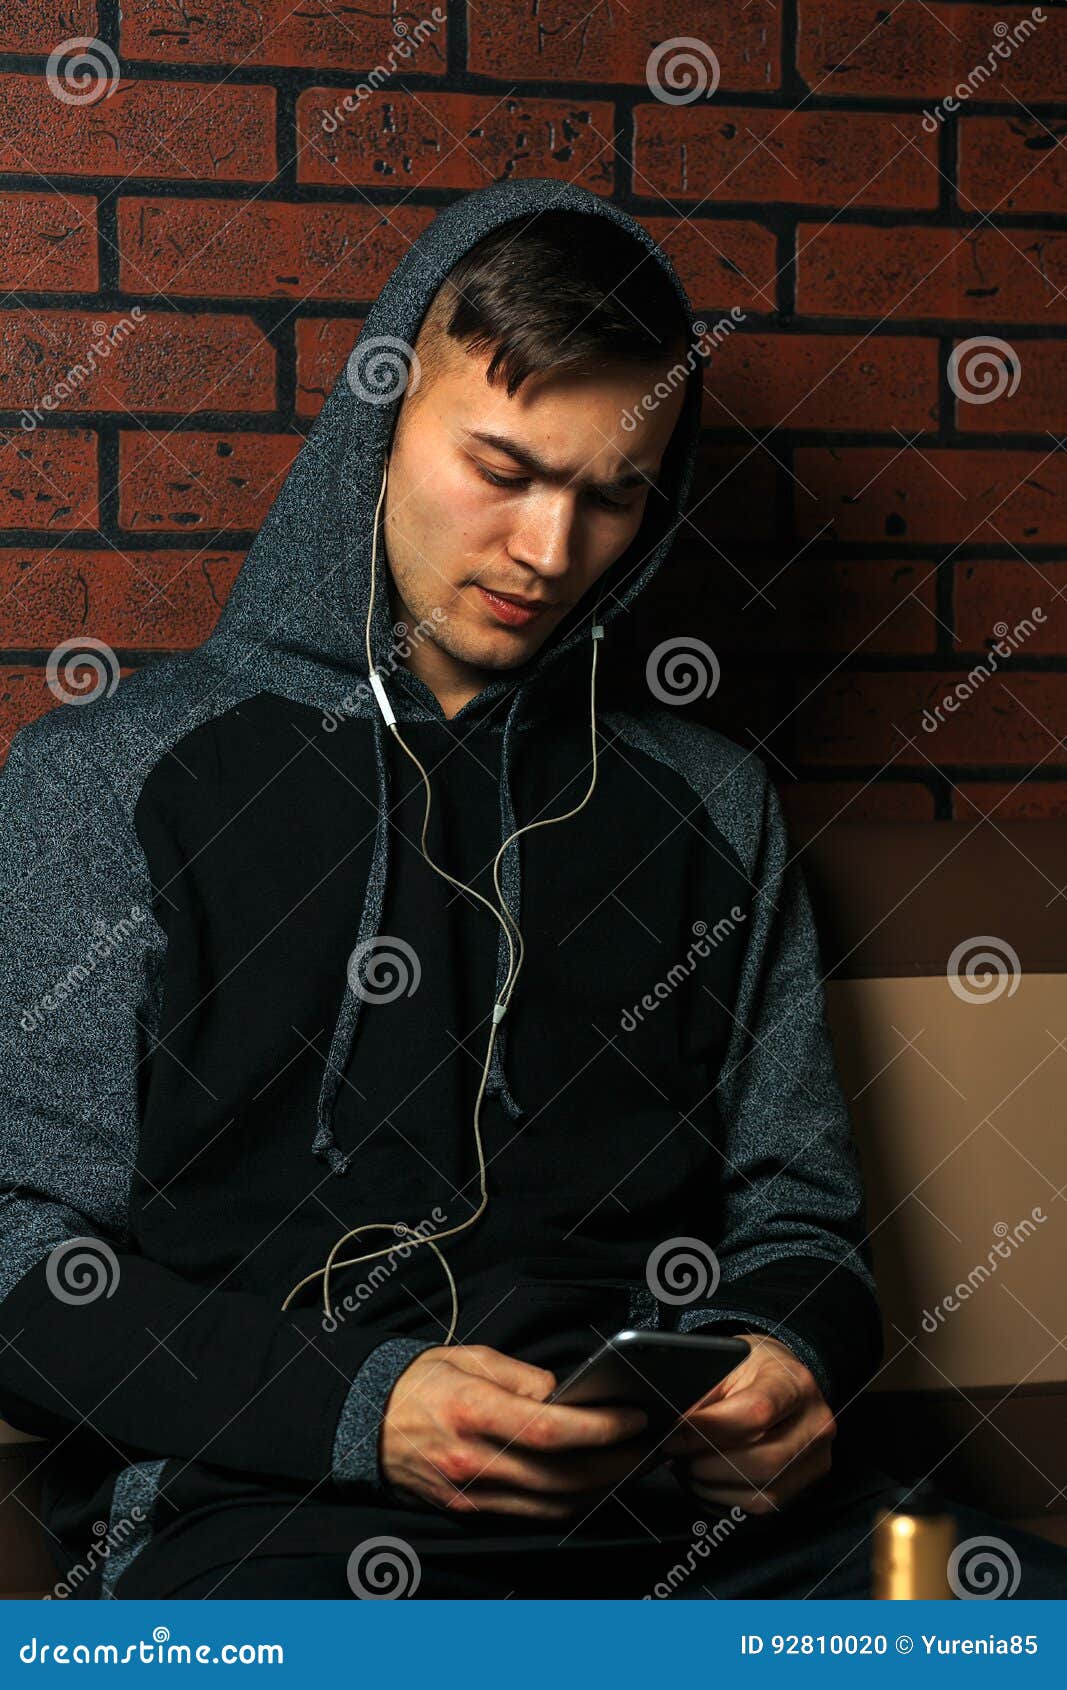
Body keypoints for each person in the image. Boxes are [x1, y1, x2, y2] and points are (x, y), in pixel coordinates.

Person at [0, 179, 1063, 1603]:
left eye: (612, 495)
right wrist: (363, 1407)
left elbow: (799, 1214)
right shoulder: (109, 774)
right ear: (383, 420)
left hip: (696, 1528)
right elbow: (19, 1260)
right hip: (270, 1520)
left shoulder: (711, 799)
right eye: (503, 469)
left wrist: (791, 1355)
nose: (552, 553)